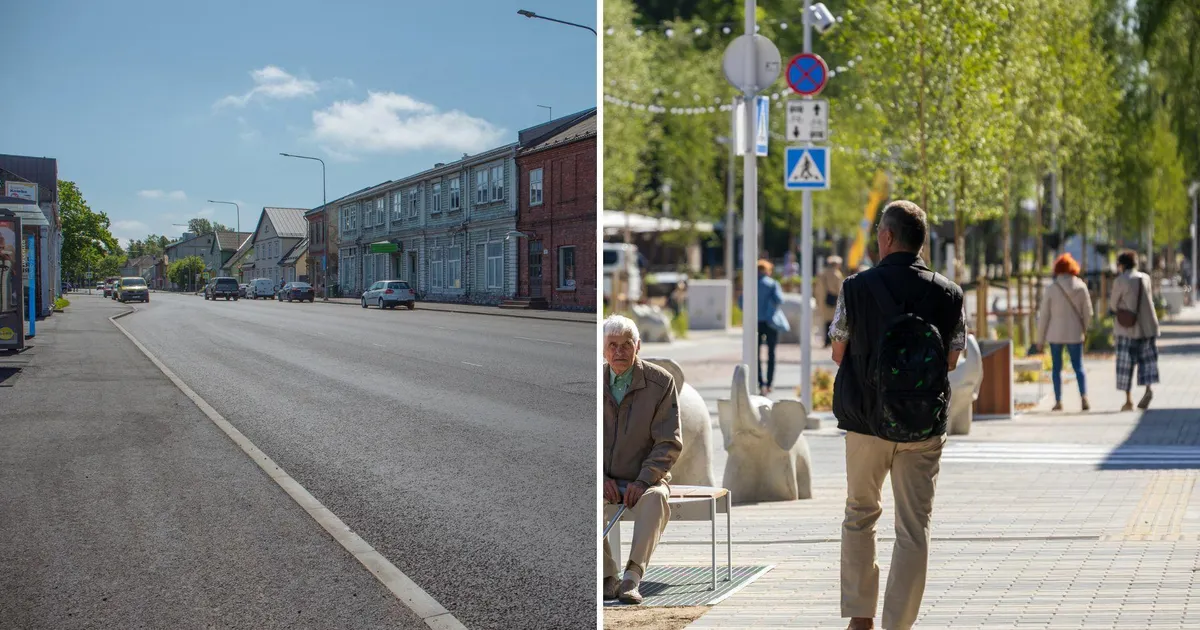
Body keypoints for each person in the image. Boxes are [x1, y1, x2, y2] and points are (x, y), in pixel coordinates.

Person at [829, 200, 965, 630]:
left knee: (860, 514)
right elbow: (952, 360)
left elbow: (838, 351)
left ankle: (859, 618)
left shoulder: (855, 287)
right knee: (913, 527)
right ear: (921, 242)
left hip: (867, 422)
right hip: (923, 426)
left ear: (886, 237)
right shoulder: (949, 293)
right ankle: (898, 624)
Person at [602, 315, 683, 605]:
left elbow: (668, 442)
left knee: (656, 500)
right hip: (606, 480)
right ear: (603, 348)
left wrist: (644, 479)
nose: (619, 352)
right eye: (612, 345)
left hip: (645, 480)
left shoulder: (660, 383)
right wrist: (601, 479)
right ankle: (607, 576)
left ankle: (631, 578)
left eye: (626, 345)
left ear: (638, 346)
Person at [1035, 253, 1093, 411]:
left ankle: (1059, 401)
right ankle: (1084, 397)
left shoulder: (1052, 288)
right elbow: (1088, 312)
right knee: (1078, 366)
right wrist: (1084, 329)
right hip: (1075, 333)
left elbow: (1044, 315)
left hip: (1055, 334)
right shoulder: (1081, 287)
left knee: (1056, 368)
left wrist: (1040, 339)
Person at [1109, 250, 1160, 411]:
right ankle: (1148, 389)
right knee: (1147, 361)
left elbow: (1112, 305)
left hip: (1127, 329)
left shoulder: (1120, 281)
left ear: (1122, 265)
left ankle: (1128, 400)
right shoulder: (1145, 278)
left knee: (1125, 364)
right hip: (1147, 328)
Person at [755, 260, 789, 394]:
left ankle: (759, 382)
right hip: (770, 321)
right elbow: (780, 300)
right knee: (771, 353)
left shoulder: (751, 284)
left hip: (755, 322)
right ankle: (769, 383)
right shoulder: (772, 284)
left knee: (755, 354)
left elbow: (741, 303)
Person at [820, 255, 845, 348]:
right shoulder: (837, 274)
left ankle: (826, 341)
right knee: (834, 322)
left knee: (826, 321)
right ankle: (831, 341)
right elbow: (840, 289)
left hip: (825, 299)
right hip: (834, 300)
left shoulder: (823, 273)